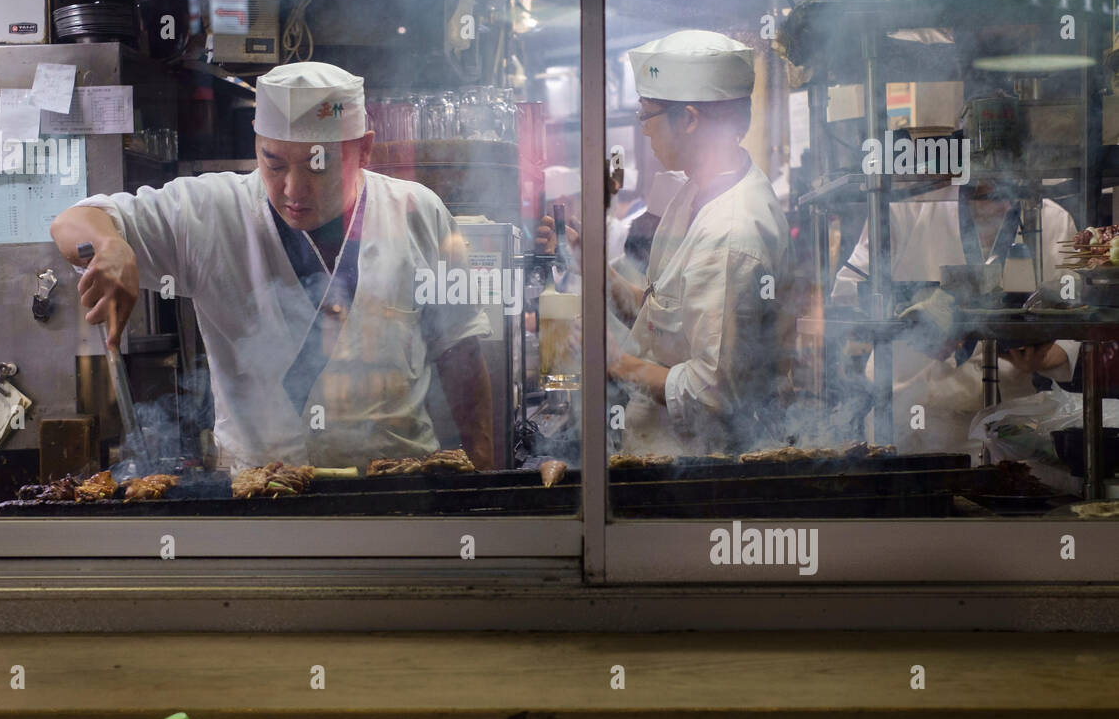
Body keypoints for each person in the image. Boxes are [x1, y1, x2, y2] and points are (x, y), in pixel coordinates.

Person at [50, 62, 493, 470]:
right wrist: (109, 244)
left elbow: (462, 353)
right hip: (259, 497)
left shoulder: (418, 212)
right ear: (256, 144)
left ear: (363, 150)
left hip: (396, 484)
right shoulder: (210, 210)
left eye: (318, 166)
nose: (293, 190)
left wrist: (483, 480)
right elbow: (74, 221)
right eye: (273, 163)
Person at [603, 29, 793, 455]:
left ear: (689, 119)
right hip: (665, 460)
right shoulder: (695, 193)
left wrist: (618, 364)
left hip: (704, 477)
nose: (645, 132)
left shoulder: (731, 232)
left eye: (646, 117)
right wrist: (595, 273)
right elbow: (665, 314)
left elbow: (712, 392)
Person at [830, 185, 1078, 456]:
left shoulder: (1053, 219)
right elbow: (846, 291)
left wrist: (1059, 352)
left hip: (1012, 419)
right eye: (990, 191)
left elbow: (1078, 307)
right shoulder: (907, 208)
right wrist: (912, 322)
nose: (1004, 205)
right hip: (913, 415)